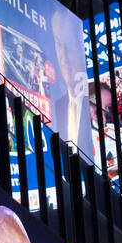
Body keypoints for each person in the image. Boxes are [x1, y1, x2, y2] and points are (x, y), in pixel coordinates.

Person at [51, 10, 92, 155]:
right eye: (58, 44)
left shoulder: (95, 102)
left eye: (70, 45)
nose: (64, 56)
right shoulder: (58, 105)